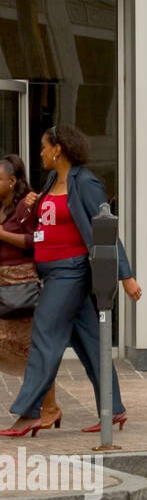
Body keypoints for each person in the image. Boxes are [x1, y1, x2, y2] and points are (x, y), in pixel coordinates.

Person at [2, 126, 143, 437]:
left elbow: (105, 231)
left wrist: (126, 275)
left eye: (43, 147)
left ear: (58, 149)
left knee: (43, 334)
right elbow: (49, 219)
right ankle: (114, 408)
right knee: (91, 344)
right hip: (52, 271)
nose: (40, 153)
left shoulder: (87, 183)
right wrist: (36, 203)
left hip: (71, 271)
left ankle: (30, 413)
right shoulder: (53, 181)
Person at [0, 155, 62, 429]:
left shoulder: (27, 206)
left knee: (31, 350)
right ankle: (48, 408)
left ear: (12, 181)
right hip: (2, 286)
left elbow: (34, 240)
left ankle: (49, 408)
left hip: (20, 288)